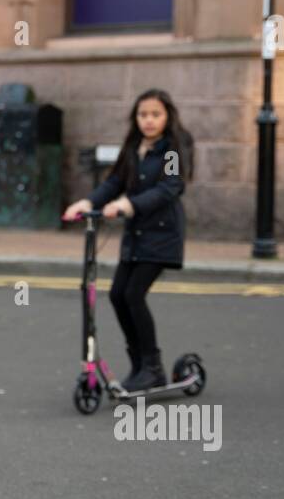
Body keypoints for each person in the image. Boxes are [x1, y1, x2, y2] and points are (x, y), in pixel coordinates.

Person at [63, 89, 193, 392]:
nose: (148, 120)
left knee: (134, 294)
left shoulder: (172, 148)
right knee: (119, 294)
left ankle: (153, 366)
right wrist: (87, 202)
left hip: (161, 234)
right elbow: (114, 181)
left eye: (155, 114)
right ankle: (139, 365)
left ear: (168, 116)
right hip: (136, 235)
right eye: (143, 114)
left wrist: (127, 205)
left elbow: (170, 187)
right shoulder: (133, 146)